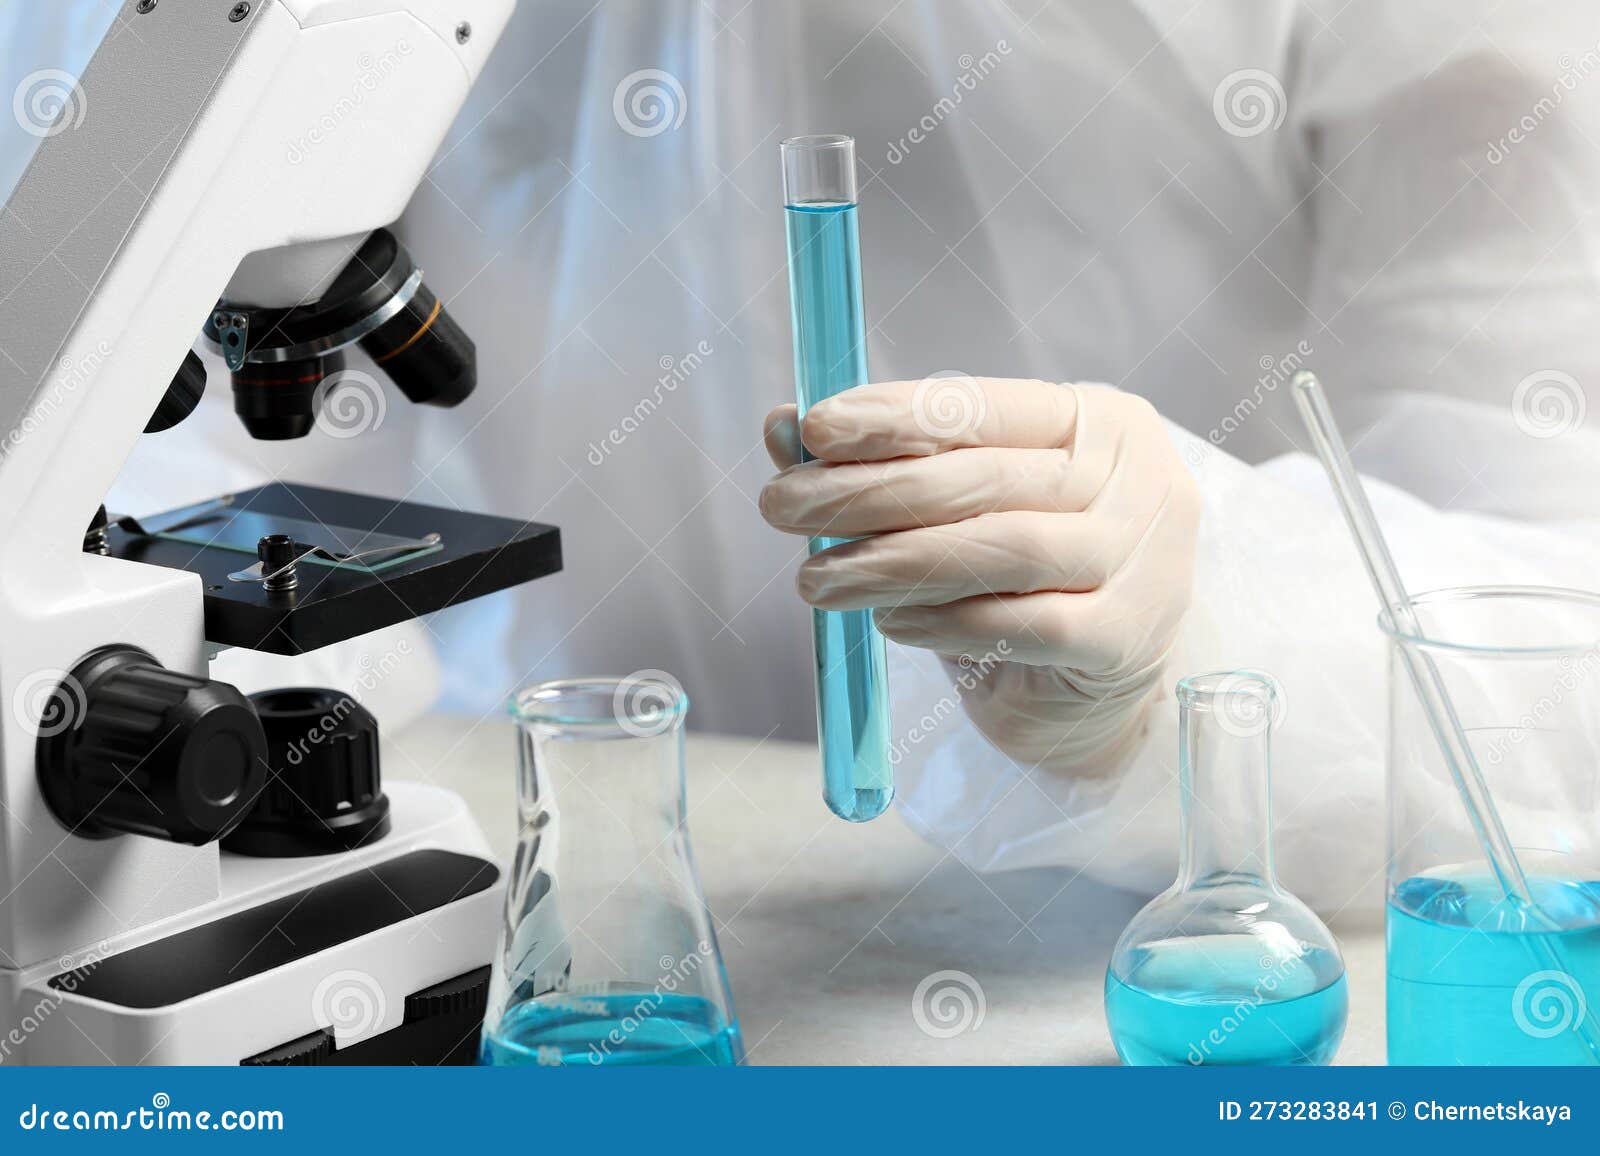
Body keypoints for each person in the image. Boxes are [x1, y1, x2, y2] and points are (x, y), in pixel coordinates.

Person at [9, 2, 1600, 910]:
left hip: (1108, 948)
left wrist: (1201, 639)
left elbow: (1556, 633)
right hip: (519, 871)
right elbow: (122, 398)